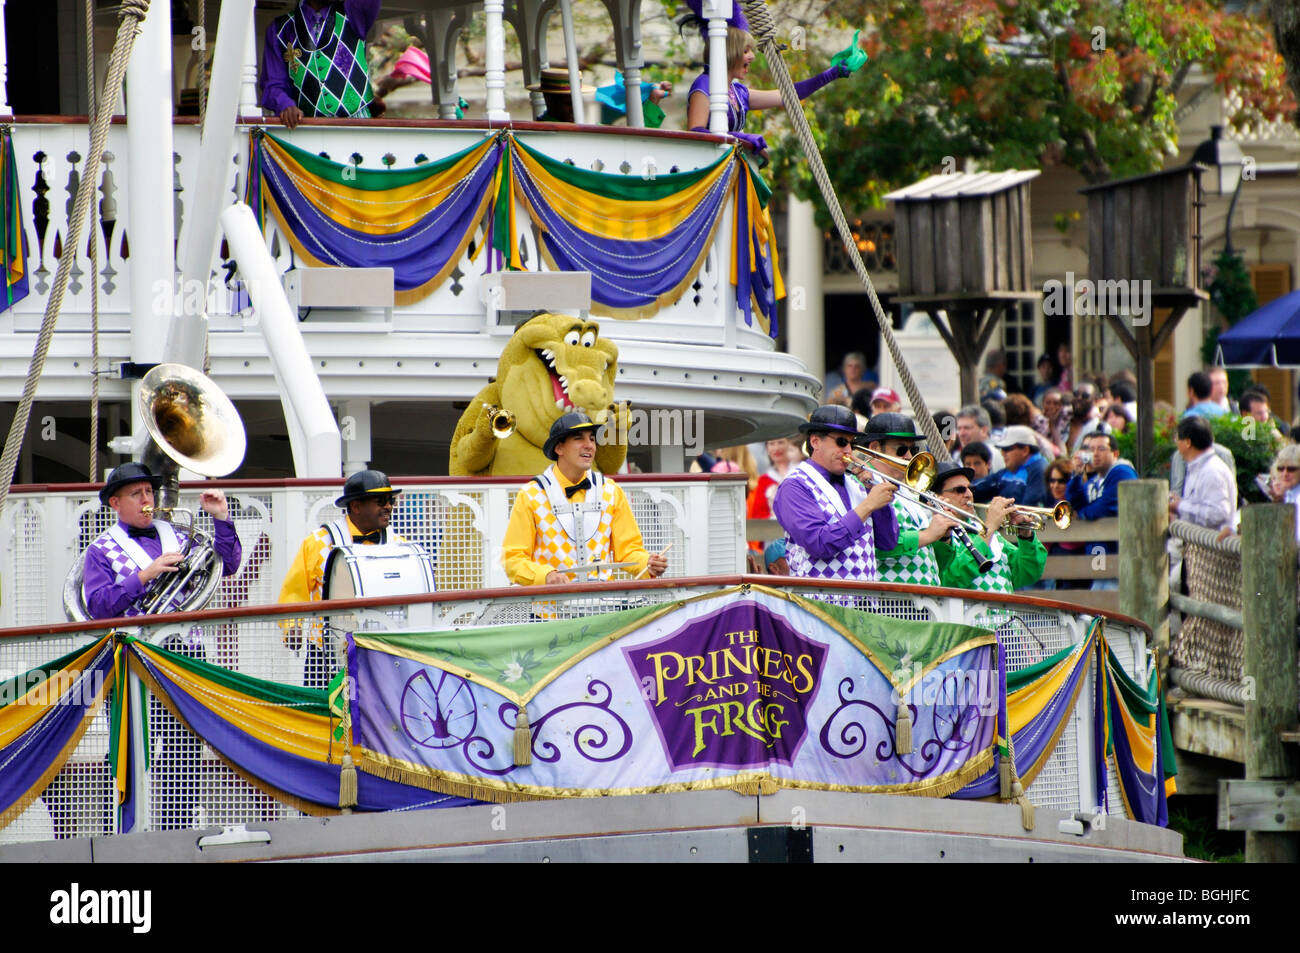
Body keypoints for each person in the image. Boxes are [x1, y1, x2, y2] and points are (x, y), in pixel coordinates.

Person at [279, 469, 412, 686]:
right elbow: (294, 590)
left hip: (383, 653)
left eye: (390, 501)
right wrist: (292, 627)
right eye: (380, 501)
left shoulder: (400, 544)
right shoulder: (318, 542)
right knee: (323, 717)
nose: (388, 506)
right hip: (325, 656)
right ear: (356, 506)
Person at [503, 412, 666, 587]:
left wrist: (647, 563)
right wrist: (546, 575)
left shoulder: (611, 491)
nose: (589, 445)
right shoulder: (530, 495)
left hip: (602, 607)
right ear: (559, 448)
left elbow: (628, 551)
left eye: (592, 439)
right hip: (549, 610)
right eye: (579, 438)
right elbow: (513, 559)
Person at [684, 8, 867, 161]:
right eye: (746, 50)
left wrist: (832, 74)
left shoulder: (737, 91)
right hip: (707, 170)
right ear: (730, 52)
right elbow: (696, 132)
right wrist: (741, 137)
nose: (752, 56)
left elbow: (788, 96)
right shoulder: (704, 84)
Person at [83, 463, 242, 620]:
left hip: (187, 643)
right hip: (135, 644)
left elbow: (226, 565)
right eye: (136, 494)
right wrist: (144, 576)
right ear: (115, 503)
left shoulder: (181, 537)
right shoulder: (99, 550)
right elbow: (97, 608)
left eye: (149, 491)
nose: (146, 500)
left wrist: (221, 516)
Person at [772, 405, 898, 583]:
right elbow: (818, 544)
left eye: (852, 443)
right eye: (841, 442)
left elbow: (888, 542)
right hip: (818, 603)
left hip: (866, 603)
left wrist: (874, 492)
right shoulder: (794, 485)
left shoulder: (857, 482)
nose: (848, 450)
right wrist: (868, 505)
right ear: (815, 442)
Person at [858, 413, 959, 587]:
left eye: (913, 449)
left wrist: (943, 536)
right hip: (892, 601)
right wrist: (927, 535)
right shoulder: (859, 485)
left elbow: (936, 562)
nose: (909, 456)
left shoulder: (909, 490)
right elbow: (871, 544)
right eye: (901, 449)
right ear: (875, 448)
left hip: (926, 604)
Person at [260, 0, 383, 131]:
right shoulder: (280, 29)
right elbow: (273, 84)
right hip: (309, 132)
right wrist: (285, 105)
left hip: (360, 129)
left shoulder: (354, 13)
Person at [930, 462, 1046, 594]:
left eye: (970, 488)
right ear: (938, 497)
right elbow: (950, 580)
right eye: (960, 490)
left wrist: (1025, 535)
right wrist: (990, 527)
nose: (968, 494)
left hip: (1005, 613)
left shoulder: (983, 530)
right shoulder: (934, 533)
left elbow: (1027, 574)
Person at [1169, 415, 1237, 531]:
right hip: (1198, 544)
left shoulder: (1212, 471)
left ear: (1187, 442)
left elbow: (1218, 514)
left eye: (1177, 439)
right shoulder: (1199, 467)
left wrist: (1180, 506)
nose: (1176, 444)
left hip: (1213, 546)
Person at [993, 425, 1051, 507]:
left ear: (1025, 450)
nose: (1002, 454)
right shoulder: (1013, 467)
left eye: (1007, 449)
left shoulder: (1039, 469)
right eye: (1002, 450)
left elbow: (1029, 508)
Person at [962, 440, 1026, 504]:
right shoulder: (961, 492)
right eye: (968, 464)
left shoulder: (1000, 482)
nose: (972, 468)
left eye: (977, 463)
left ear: (988, 464)